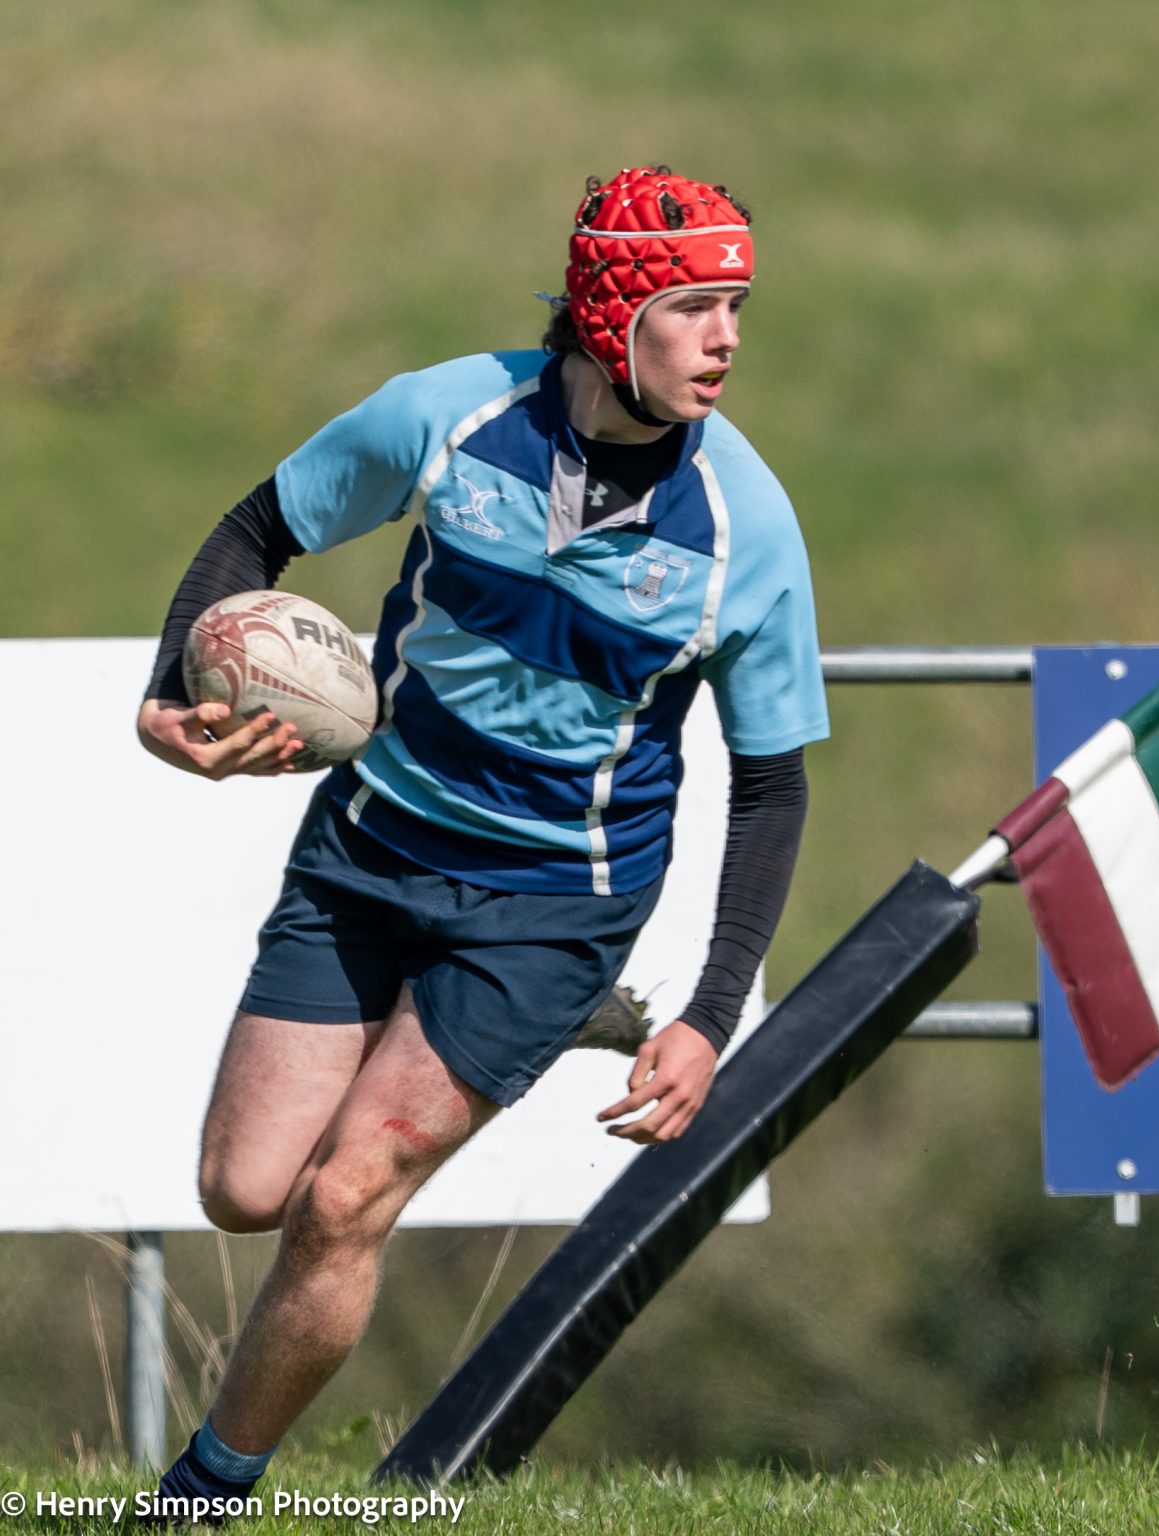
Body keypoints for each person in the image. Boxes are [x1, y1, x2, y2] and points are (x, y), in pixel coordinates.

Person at [134, 166, 827, 1512]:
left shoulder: (749, 530)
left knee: (344, 1199)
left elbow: (772, 784)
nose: (729, 337)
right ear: (615, 315)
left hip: (552, 905)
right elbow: (254, 532)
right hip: (372, 845)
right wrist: (174, 689)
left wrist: (711, 1011)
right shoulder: (449, 416)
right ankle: (537, 1018)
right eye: (694, 307)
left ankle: (205, 1492)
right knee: (245, 1186)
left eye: (737, 306)